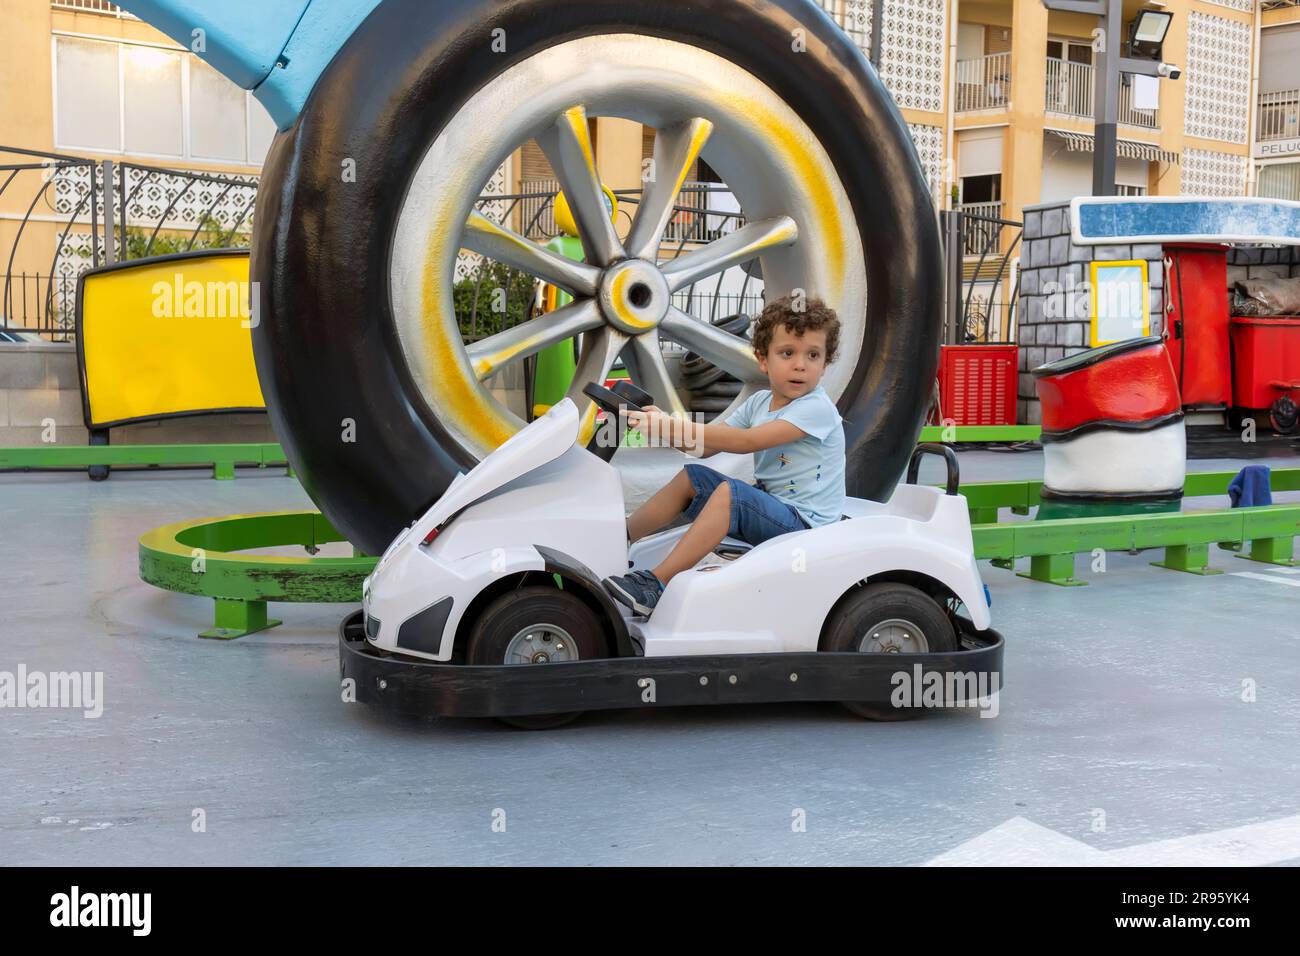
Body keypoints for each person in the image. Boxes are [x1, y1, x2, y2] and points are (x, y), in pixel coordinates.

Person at [602, 294, 846, 617]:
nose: (801, 364)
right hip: (778, 510)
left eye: (813, 355)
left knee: (732, 496)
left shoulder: (816, 408)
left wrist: (672, 424)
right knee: (693, 476)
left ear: (825, 363)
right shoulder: (759, 403)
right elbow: (705, 447)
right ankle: (617, 540)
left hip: (805, 526)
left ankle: (654, 586)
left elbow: (746, 441)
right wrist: (661, 425)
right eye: (787, 353)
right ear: (763, 359)